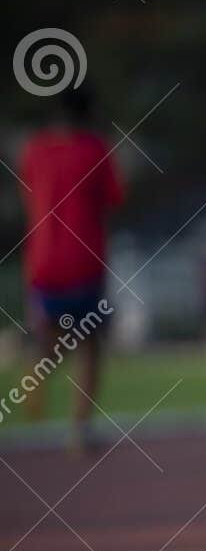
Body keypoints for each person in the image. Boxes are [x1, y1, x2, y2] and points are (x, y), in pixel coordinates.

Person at [17, 85, 124, 455]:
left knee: (49, 337)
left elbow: (27, 193)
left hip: (42, 259)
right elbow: (113, 199)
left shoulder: (35, 149)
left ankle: (37, 371)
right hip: (84, 260)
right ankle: (79, 431)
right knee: (89, 346)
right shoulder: (95, 150)